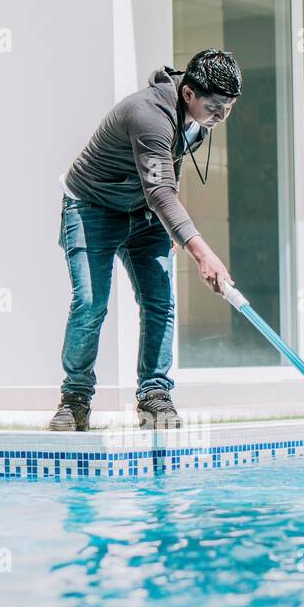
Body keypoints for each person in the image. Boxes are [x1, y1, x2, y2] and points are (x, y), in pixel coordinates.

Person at [50, 49, 242, 431]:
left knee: (160, 303)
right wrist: (202, 253)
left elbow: (170, 172)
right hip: (91, 208)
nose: (221, 116)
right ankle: (75, 400)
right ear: (188, 93)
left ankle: (154, 395)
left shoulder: (198, 122)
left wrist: (171, 228)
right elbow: (159, 188)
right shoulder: (148, 115)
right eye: (216, 106)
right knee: (91, 303)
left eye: (229, 108)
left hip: (145, 213)